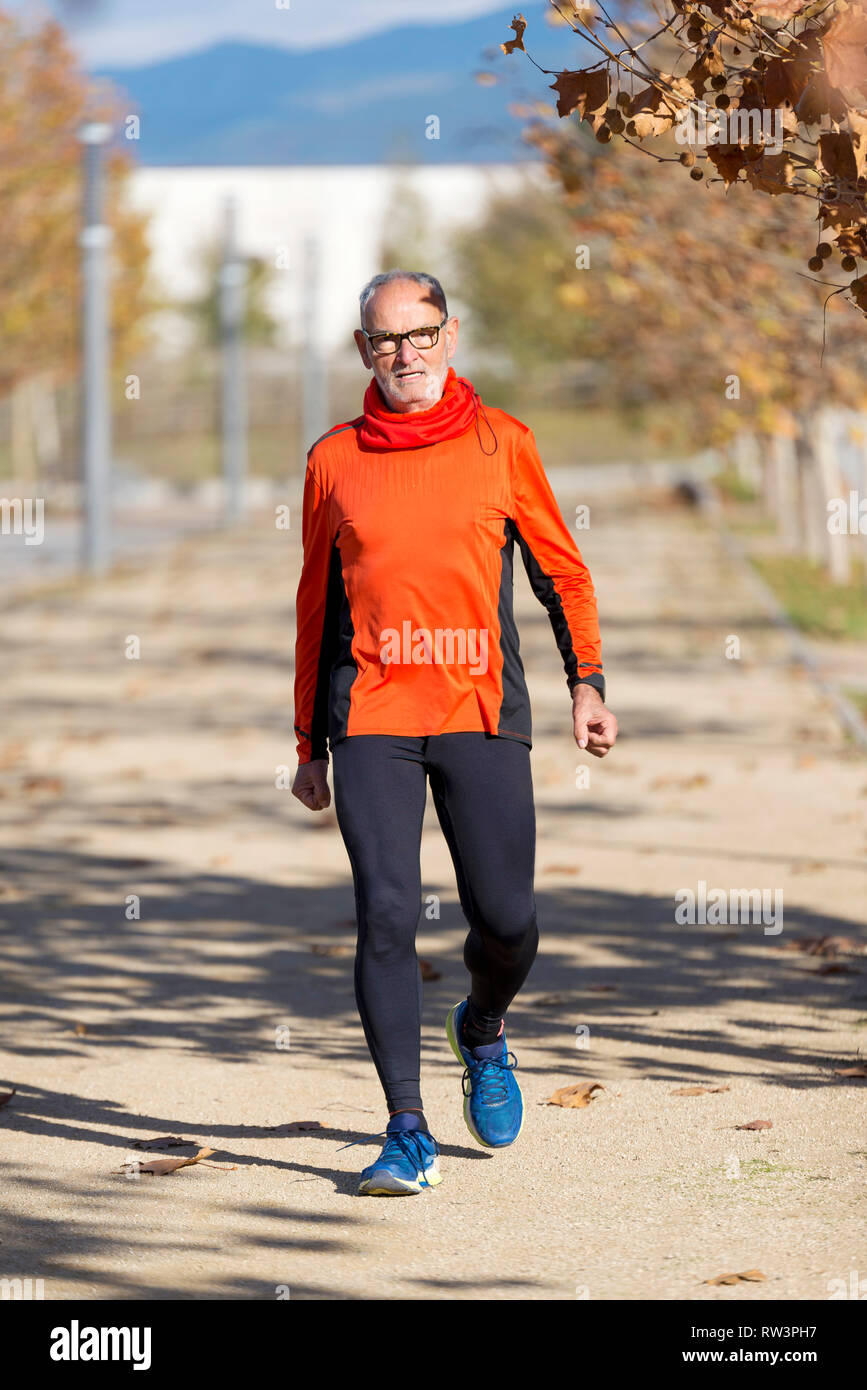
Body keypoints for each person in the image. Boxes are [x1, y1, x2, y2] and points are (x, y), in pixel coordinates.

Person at [292, 270, 617, 1195]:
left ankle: (481, 1027)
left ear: (451, 334)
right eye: (386, 340)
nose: (406, 355)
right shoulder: (332, 459)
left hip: (480, 708)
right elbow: (318, 607)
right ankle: (405, 1129)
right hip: (372, 716)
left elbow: (563, 575)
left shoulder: (501, 443)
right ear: (363, 350)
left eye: (421, 334)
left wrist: (585, 684)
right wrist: (308, 740)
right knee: (387, 915)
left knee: (507, 921)